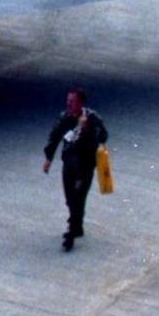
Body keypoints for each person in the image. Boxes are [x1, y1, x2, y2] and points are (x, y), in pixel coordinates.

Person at [42, 87, 108, 251]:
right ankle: (77, 225)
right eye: (68, 101)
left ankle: (71, 232)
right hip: (69, 163)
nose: (69, 104)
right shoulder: (64, 117)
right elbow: (55, 136)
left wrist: (87, 129)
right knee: (70, 198)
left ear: (80, 103)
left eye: (72, 101)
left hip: (85, 164)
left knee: (78, 196)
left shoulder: (92, 118)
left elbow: (103, 136)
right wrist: (49, 158)